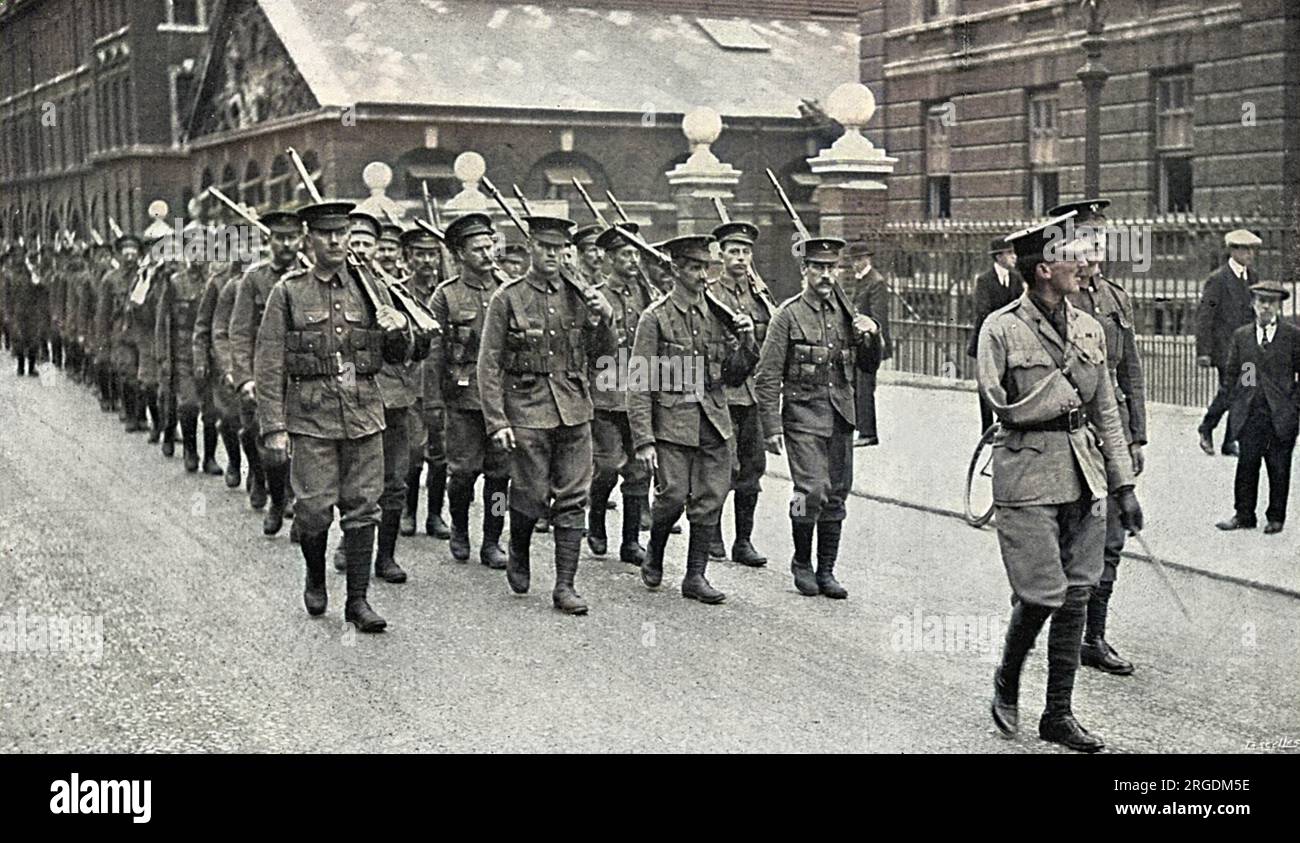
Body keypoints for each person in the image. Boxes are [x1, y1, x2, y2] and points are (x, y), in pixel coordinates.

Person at [976, 214, 1143, 753]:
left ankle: (1058, 714)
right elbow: (1000, 404)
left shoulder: (1091, 328)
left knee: (1077, 592)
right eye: (1072, 257)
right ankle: (1008, 676)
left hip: (1085, 474)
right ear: (1044, 269)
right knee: (1041, 592)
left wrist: (1124, 486)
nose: (1084, 264)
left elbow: (1107, 411)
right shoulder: (1000, 329)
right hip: (1026, 473)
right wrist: (1062, 393)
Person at [254, 200, 411, 632]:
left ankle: (358, 601)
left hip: (364, 414)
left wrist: (398, 328)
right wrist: (274, 427)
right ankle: (315, 576)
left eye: (342, 233)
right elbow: (269, 363)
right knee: (313, 510)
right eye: (326, 234)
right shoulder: (289, 292)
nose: (336, 241)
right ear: (309, 240)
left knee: (364, 508)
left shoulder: (370, 287)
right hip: (311, 417)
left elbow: (400, 354)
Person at [477, 215, 616, 615]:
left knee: (573, 498)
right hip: (526, 409)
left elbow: (603, 355)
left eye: (559, 248)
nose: (553, 255)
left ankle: (565, 585)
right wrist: (497, 421)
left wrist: (604, 318)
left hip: (574, 408)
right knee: (530, 495)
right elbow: (489, 364)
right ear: (530, 248)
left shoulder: (581, 295)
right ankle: (518, 549)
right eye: (545, 247)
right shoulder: (508, 297)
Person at [628, 234, 759, 604]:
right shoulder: (655, 318)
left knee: (711, 497)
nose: (703, 275)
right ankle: (655, 551)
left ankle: (695, 576)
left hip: (714, 419)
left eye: (706, 267)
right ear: (676, 270)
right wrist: (644, 439)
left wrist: (747, 341)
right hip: (672, 422)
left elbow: (734, 375)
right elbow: (639, 382)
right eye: (694, 268)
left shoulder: (719, 315)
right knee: (671, 496)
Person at [754, 237, 880, 600]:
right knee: (808, 492)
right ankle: (801, 561)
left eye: (831, 268)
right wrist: (771, 427)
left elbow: (868, 365)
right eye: (818, 268)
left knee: (837, 494)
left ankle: (826, 570)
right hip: (802, 417)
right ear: (804, 270)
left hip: (840, 415)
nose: (826, 275)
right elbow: (767, 375)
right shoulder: (788, 315)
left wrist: (871, 335)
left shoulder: (847, 314)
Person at [1053, 197, 1147, 677]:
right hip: (1068, 432)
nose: (1095, 250)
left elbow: (1130, 368)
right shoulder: (1057, 297)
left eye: (1101, 240)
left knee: (1111, 535)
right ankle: (1054, 624)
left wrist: (1137, 436)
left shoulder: (1114, 297)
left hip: (1112, 431)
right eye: (1086, 240)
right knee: (1068, 532)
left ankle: (1092, 637)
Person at [427, 213, 511, 566]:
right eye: (478, 249)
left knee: (500, 477)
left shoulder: (508, 290)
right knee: (462, 474)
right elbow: (433, 355)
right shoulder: (446, 296)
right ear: (460, 254)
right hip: (462, 400)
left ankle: (492, 540)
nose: (488, 254)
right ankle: (459, 528)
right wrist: (433, 402)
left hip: (504, 401)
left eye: (490, 247)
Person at [228, 211, 305, 534]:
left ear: (302, 239)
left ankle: (300, 509)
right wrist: (245, 378)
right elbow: (240, 332)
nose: (286, 244)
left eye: (292, 237)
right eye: (280, 238)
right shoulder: (254, 279)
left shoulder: (309, 277)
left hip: (302, 375)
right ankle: (276, 497)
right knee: (271, 449)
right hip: (266, 374)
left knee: (304, 447)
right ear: (268, 241)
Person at [706, 220, 776, 565]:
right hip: (724, 393)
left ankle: (743, 541)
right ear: (720, 255)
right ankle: (712, 534)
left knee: (753, 468)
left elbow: (772, 338)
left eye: (746, 252)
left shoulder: (760, 296)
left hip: (754, 395)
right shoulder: (710, 293)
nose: (740, 258)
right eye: (733, 251)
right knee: (724, 467)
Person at [586, 222, 656, 564]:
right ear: (610, 258)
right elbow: (591, 347)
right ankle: (596, 521)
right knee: (607, 466)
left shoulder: (647, 296)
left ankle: (630, 542)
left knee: (640, 470)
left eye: (636, 254)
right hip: (606, 395)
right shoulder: (597, 295)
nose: (633, 260)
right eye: (626, 254)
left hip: (639, 395)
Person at [1213, 281, 1300, 534]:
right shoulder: (1242, 336)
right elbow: (1234, 376)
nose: (1266, 307)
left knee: (1279, 468)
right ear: (1253, 304)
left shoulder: (1292, 336)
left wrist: (1294, 407)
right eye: (1261, 301)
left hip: (1280, 417)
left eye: (1271, 302)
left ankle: (1276, 517)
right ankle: (1244, 515)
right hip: (1251, 415)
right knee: (1246, 466)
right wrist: (1228, 409)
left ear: (1279, 306)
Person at [399, 226, 450, 540]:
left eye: (432, 254)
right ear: (409, 258)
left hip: (443, 386)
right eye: (420, 254)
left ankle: (434, 514)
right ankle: (408, 511)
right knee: (413, 454)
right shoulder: (399, 292)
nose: (427, 260)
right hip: (411, 384)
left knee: (440, 455)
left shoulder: (447, 291)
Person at [1195, 229, 1263, 456]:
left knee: (1246, 391)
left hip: (1248, 349)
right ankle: (1207, 427)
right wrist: (1203, 351)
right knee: (1230, 391)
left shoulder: (1253, 277)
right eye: (1245, 249)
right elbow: (1205, 317)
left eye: (1252, 249)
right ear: (1232, 251)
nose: (1250, 254)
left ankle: (1229, 440)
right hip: (1225, 349)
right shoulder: (1218, 279)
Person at [968, 237, 1022, 435]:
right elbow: (983, 311)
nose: (1014, 257)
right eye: (1010, 253)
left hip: (1009, 339)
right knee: (987, 383)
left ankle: (1003, 424)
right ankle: (987, 428)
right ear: (999, 257)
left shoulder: (1016, 279)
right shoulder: (984, 280)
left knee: (1008, 381)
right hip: (987, 338)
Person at [843, 240, 892, 447]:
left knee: (864, 388)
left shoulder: (876, 282)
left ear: (867, 259)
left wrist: (871, 339)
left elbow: (877, 318)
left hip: (870, 343)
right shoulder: (862, 280)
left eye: (859, 259)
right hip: (860, 342)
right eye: (853, 260)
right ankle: (860, 428)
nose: (855, 264)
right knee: (857, 386)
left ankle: (868, 433)